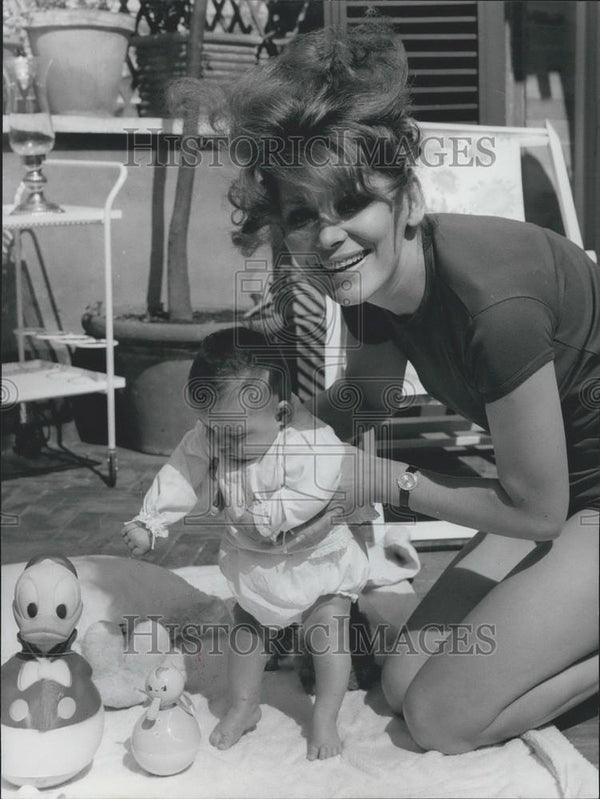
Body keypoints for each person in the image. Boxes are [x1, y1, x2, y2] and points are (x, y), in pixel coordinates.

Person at [214, 21, 600, 755]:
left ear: (409, 201)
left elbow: (538, 511)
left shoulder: (496, 304)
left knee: (439, 717)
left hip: (570, 506)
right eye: (302, 215)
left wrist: (382, 480)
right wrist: (265, 441)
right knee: (401, 680)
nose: (328, 235)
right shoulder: (367, 283)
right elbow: (368, 394)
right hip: (562, 496)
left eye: (351, 202)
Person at [122, 327, 379, 760]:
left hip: (315, 561)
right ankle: (245, 706)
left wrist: (269, 516)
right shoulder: (215, 435)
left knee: (328, 634)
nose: (224, 445)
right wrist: (152, 520)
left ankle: (325, 716)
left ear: (281, 414)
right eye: (214, 431)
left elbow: (317, 485)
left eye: (237, 435)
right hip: (257, 562)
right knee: (246, 631)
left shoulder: (307, 440)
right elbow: (182, 470)